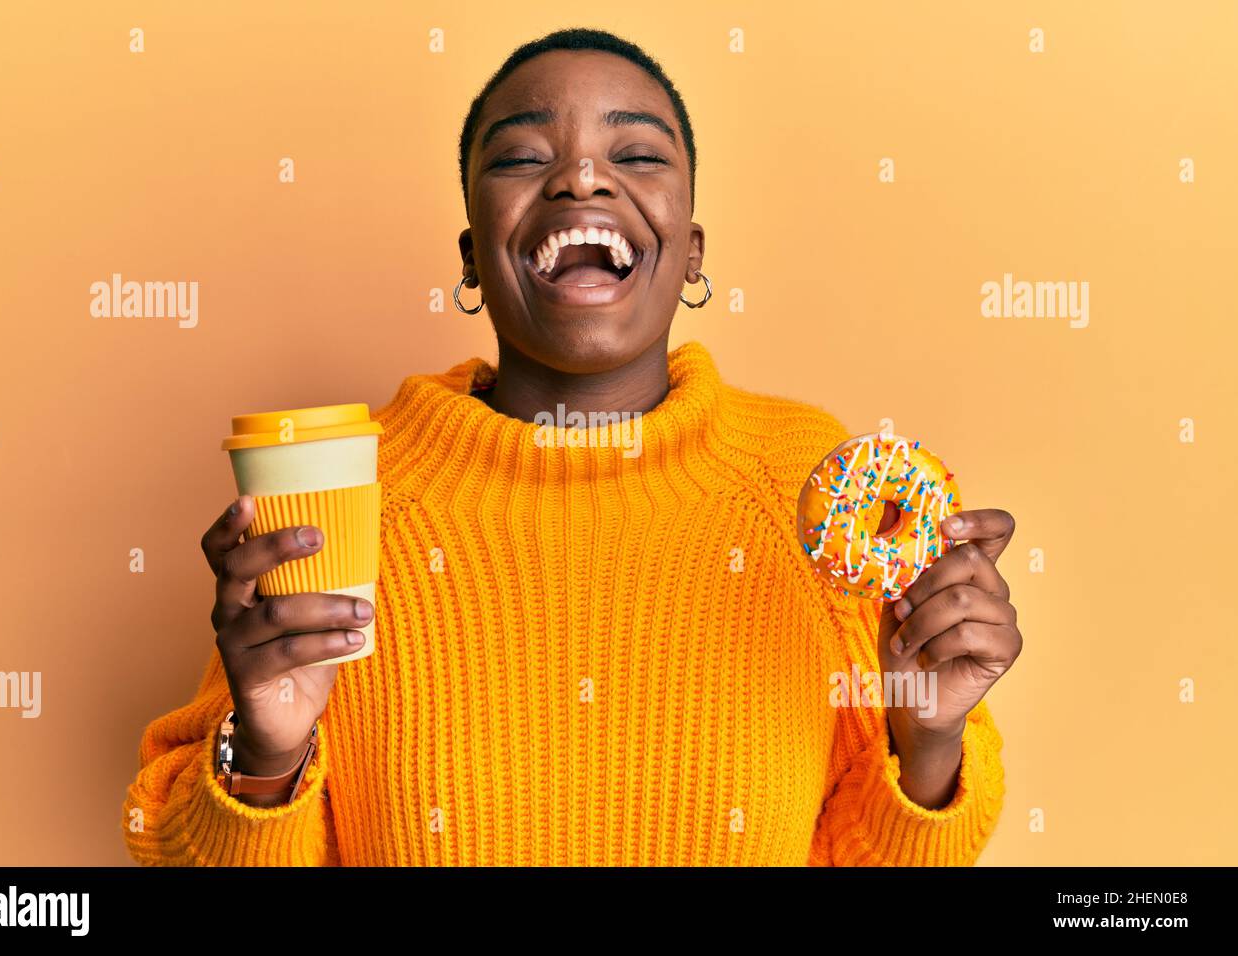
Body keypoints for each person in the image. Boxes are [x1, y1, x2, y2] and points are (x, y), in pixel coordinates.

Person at [123, 27, 1021, 866]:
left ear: (693, 251)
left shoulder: (805, 487)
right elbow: (172, 844)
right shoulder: (337, 498)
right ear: (474, 256)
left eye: (635, 154)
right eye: (522, 156)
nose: (582, 180)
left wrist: (927, 737)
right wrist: (270, 750)